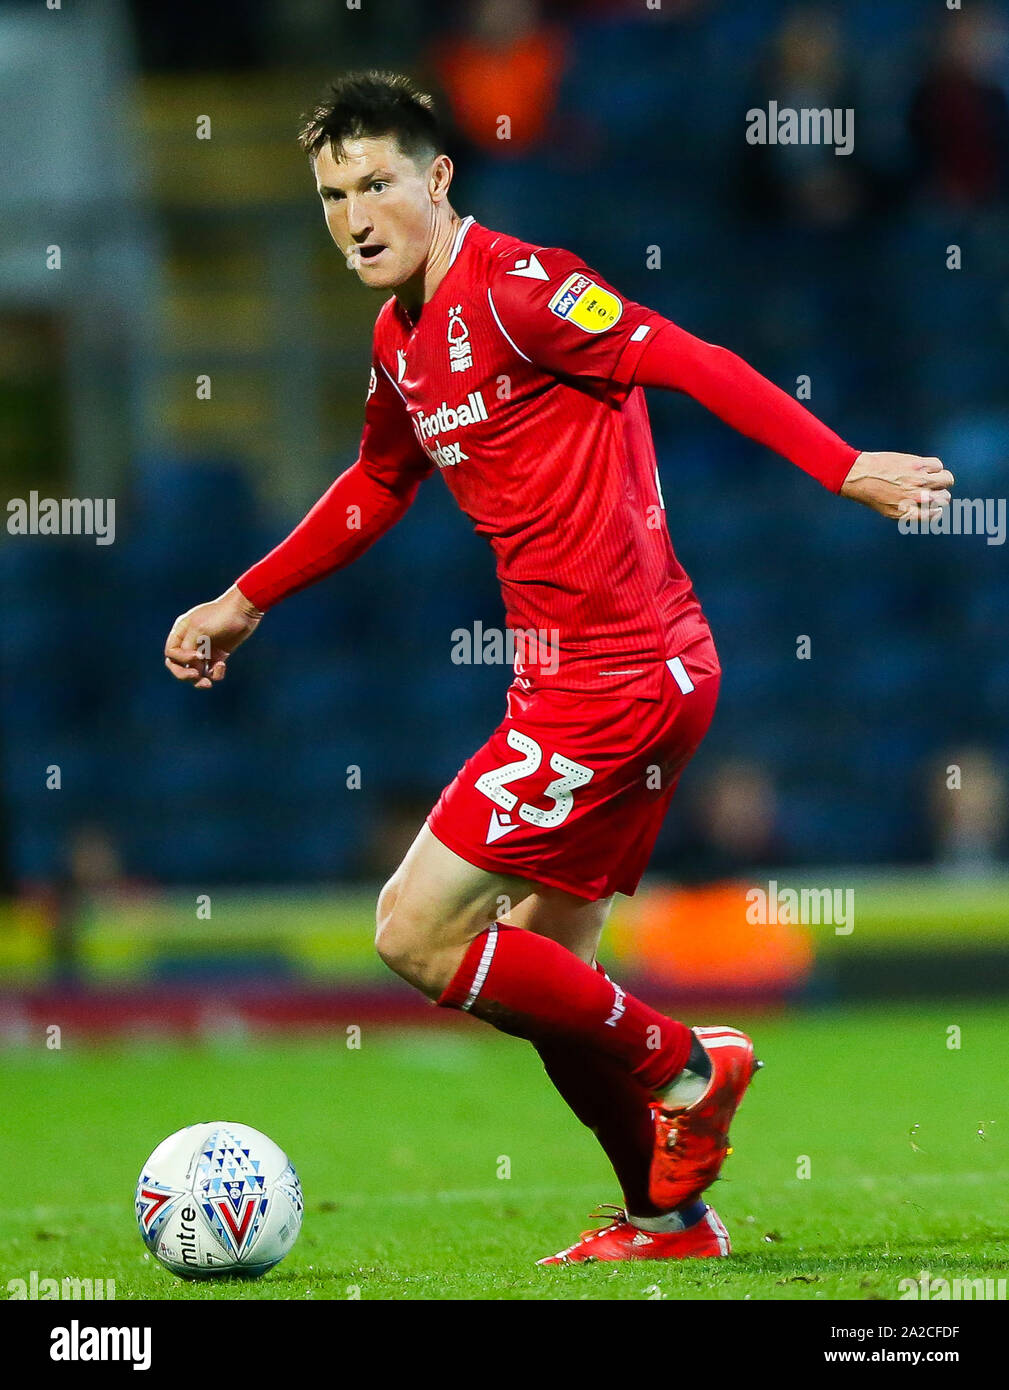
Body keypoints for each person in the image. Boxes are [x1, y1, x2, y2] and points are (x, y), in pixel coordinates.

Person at [164, 72, 953, 1264]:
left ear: (436, 179)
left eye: (377, 182)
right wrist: (242, 599)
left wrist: (840, 464)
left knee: (413, 931)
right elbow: (379, 482)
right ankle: (669, 1221)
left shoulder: (525, 286)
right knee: (547, 980)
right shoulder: (399, 337)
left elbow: (689, 358)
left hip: (618, 675)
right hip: (586, 680)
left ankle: (689, 1063)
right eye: (332, 193)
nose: (355, 214)